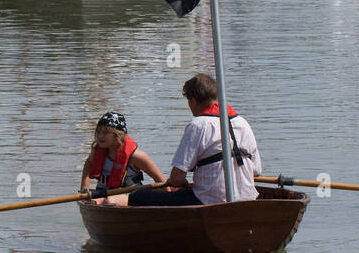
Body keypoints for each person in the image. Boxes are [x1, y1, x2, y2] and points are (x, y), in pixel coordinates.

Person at [128, 74, 262, 207]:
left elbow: (176, 178)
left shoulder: (199, 124)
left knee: (138, 196)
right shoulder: (242, 123)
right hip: (248, 199)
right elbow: (256, 171)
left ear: (193, 101)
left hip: (210, 201)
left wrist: (177, 182)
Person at [79, 112, 166, 206]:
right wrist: (84, 187)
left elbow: (161, 181)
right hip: (103, 192)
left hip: (132, 195)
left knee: (109, 201)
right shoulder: (96, 150)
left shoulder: (136, 156)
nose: (100, 136)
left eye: (105, 132)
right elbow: (89, 164)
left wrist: (167, 202)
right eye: (98, 131)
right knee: (95, 201)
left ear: (118, 134)